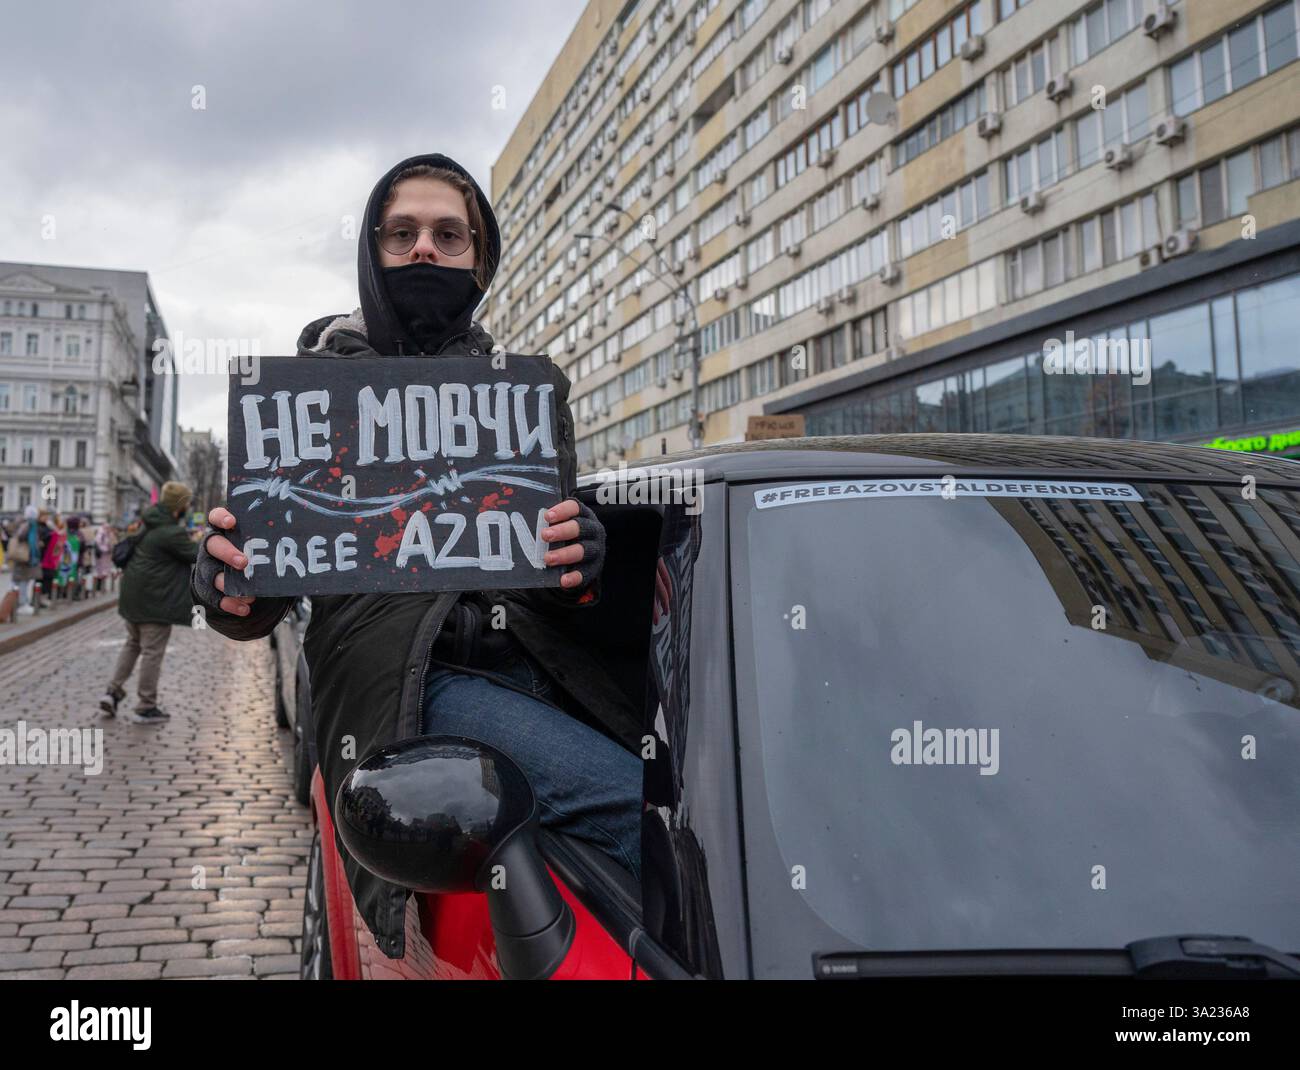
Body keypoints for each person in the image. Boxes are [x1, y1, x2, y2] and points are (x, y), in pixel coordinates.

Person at [190, 152, 644, 961]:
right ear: (372, 255)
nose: (425, 250)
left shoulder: (522, 398)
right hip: (414, 684)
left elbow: (550, 575)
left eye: (448, 234)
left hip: (537, 671)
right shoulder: (312, 394)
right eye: (402, 234)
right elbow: (258, 598)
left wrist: (583, 565)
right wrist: (228, 580)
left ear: (481, 258)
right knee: (640, 812)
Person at [100, 482, 199, 724]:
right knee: (152, 652)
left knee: (132, 644)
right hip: (154, 601)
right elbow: (198, 554)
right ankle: (146, 705)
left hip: (133, 598)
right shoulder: (171, 533)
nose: (188, 507)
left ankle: (112, 692)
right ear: (178, 507)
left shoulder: (149, 523)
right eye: (186, 503)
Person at [8, 506, 47, 614]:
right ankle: (22, 604)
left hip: (20, 556)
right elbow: (26, 539)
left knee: (18, 580)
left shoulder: (20, 522)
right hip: (25, 557)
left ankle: (15, 603)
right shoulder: (29, 525)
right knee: (24, 580)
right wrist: (36, 548)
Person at [39, 511, 64, 606]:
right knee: (43, 579)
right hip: (45, 558)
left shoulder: (52, 530)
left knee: (49, 578)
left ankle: (45, 597)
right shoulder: (47, 529)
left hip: (51, 559)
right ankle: (40, 599)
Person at [94, 522, 115, 594]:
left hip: (106, 555)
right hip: (102, 554)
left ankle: (102, 587)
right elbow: (98, 542)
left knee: (104, 571)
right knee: (100, 570)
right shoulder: (101, 533)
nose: (109, 529)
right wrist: (106, 548)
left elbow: (112, 542)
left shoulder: (108, 533)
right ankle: (98, 587)